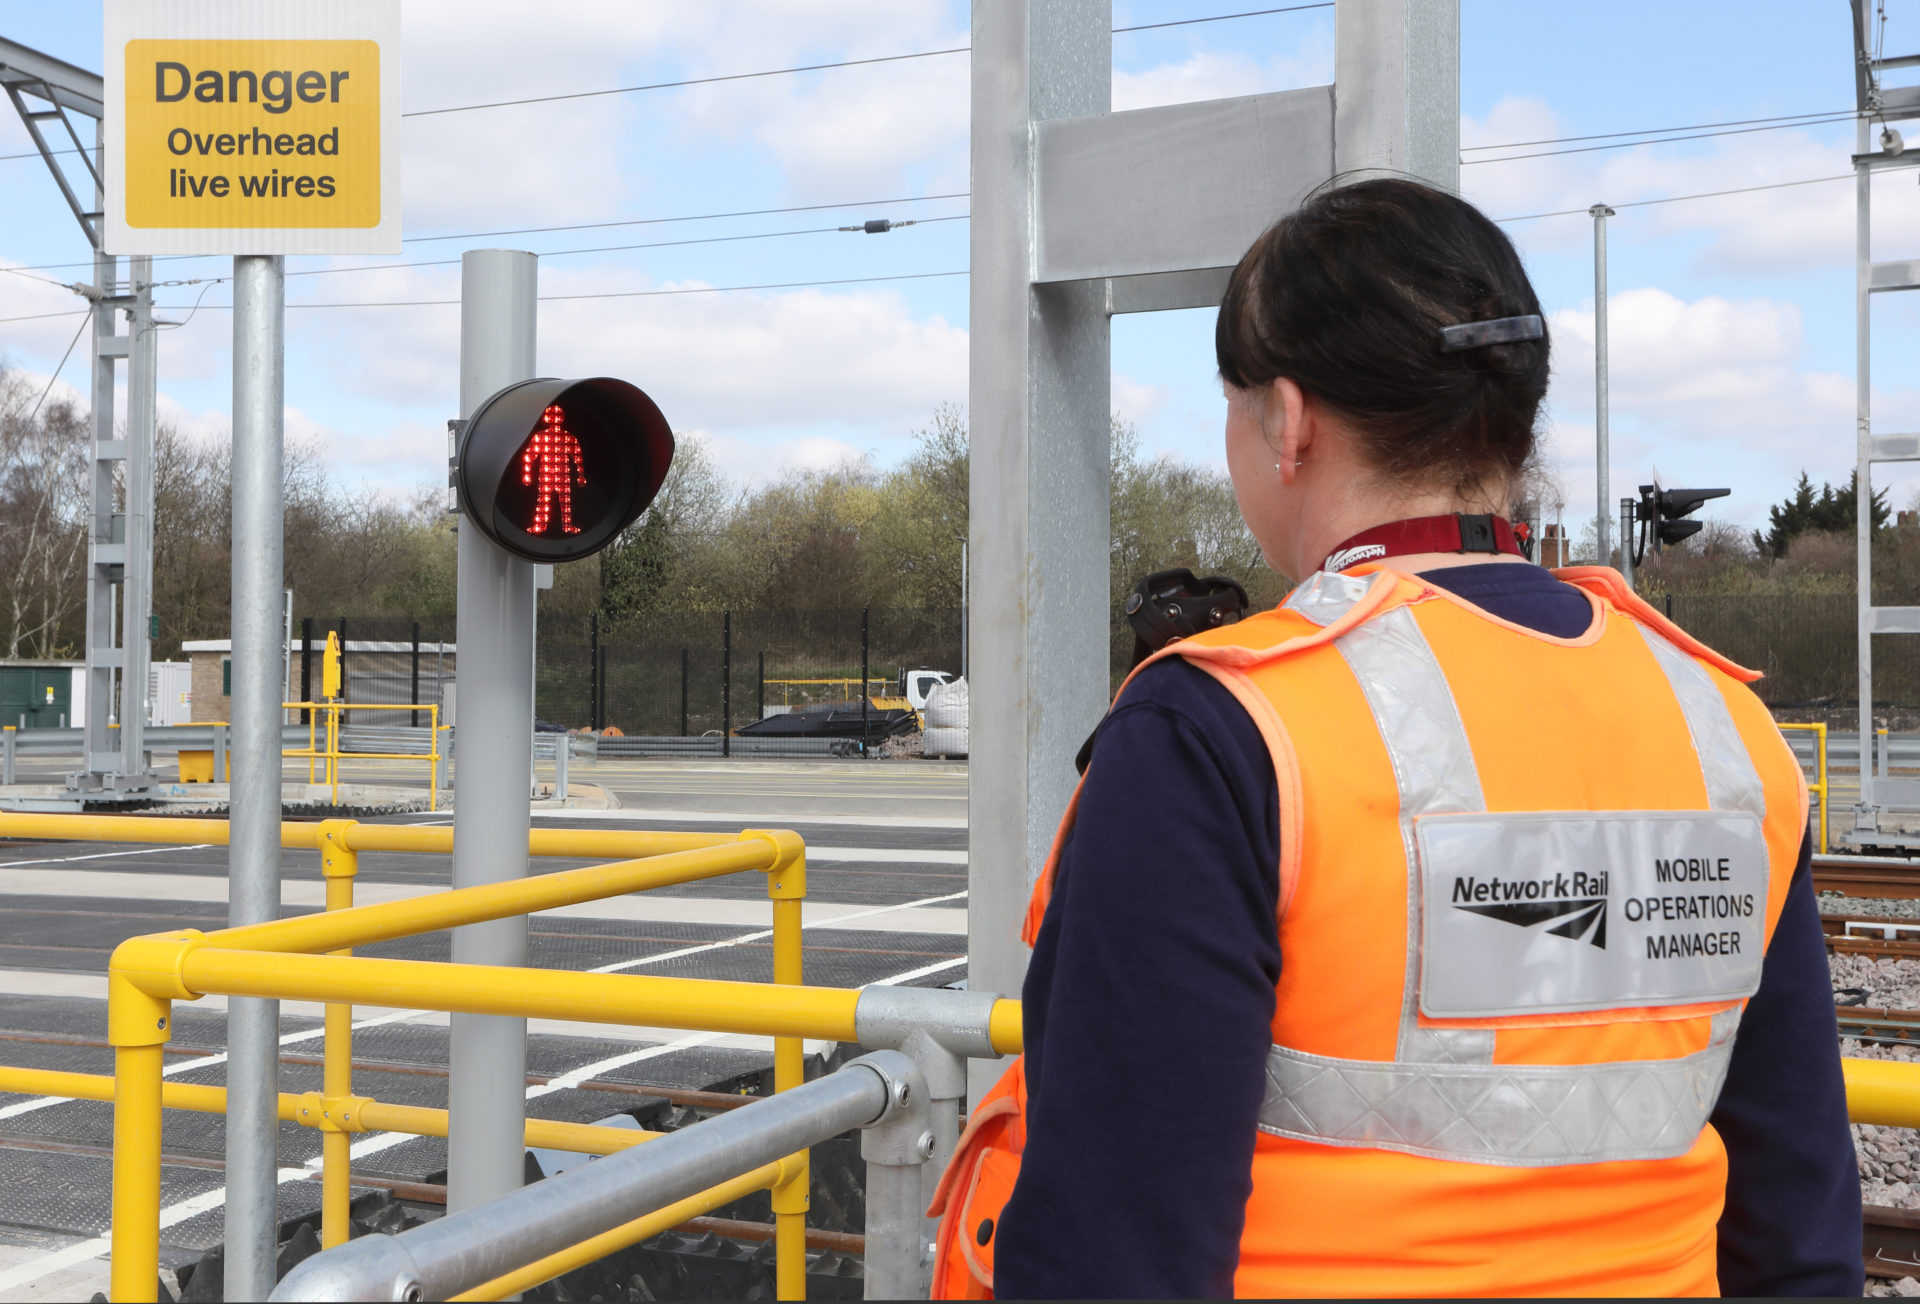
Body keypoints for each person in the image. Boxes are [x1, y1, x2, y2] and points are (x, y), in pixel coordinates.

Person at [929, 178, 1860, 1298]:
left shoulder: (1222, 731)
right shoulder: (1724, 722)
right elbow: (1799, 1222)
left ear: (1288, 420)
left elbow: (1115, 1251)